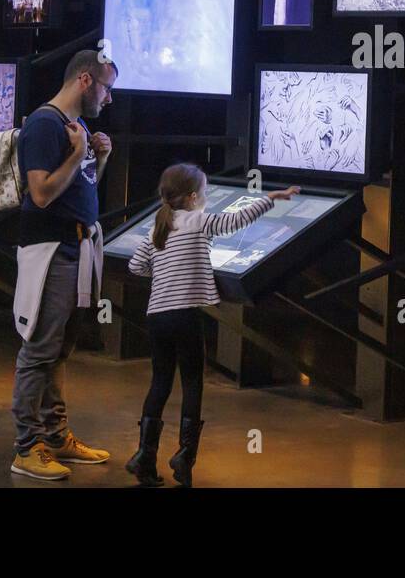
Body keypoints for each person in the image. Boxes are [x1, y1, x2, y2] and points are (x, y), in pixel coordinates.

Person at [124, 164, 300, 487]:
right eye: (203, 193)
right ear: (193, 197)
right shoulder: (199, 221)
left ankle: (144, 456)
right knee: (192, 383)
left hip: (157, 317)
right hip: (185, 316)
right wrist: (271, 197)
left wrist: (164, 275)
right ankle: (184, 457)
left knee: (160, 382)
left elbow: (136, 266)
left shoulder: (157, 228)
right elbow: (235, 221)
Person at [9, 50, 117, 481]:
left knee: (60, 348)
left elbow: (80, 188)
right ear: (86, 81)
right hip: (50, 251)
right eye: (107, 88)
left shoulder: (77, 128)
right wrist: (79, 153)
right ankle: (25, 446)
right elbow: (41, 194)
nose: (109, 99)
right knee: (39, 347)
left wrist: (97, 157)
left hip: (77, 249)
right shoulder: (43, 125)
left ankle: (54, 435)